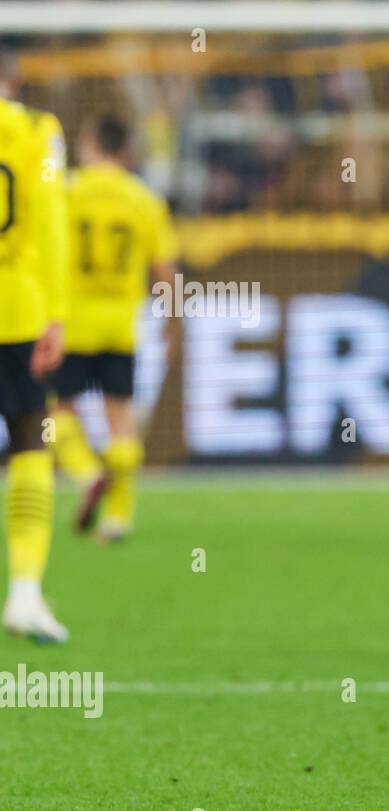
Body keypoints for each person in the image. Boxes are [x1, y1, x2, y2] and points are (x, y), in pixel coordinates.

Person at [50, 115, 179, 542]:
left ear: (89, 144)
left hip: (71, 322)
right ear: (125, 151)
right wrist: (173, 319)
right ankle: (117, 519)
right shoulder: (145, 199)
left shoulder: (66, 191)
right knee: (120, 419)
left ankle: (87, 475)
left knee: (58, 413)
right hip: (121, 325)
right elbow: (165, 271)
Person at [0, 66, 70, 644]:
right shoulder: (35, 131)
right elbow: (50, 218)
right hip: (18, 310)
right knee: (30, 448)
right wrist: (56, 311)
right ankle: (23, 591)